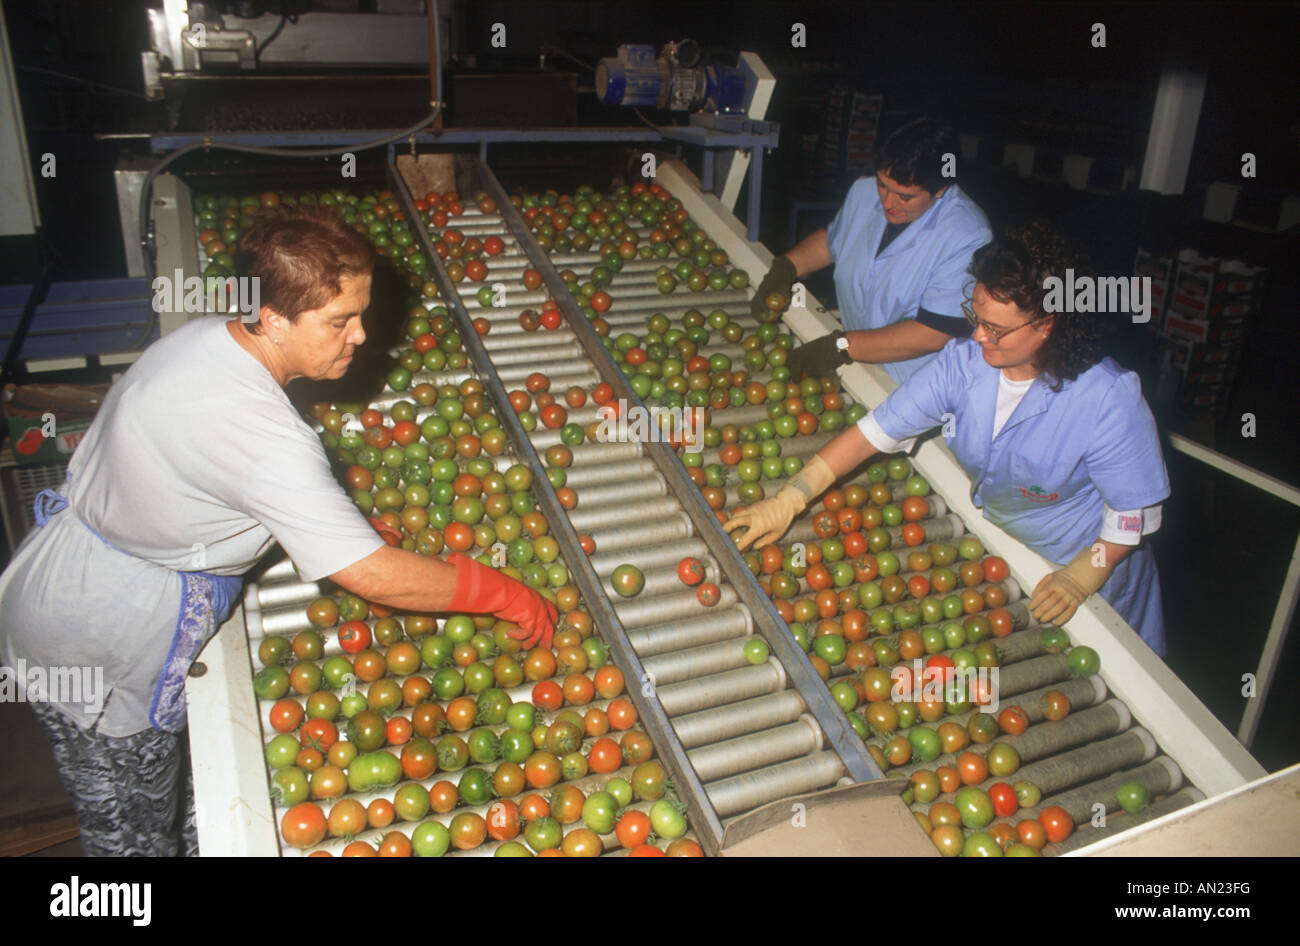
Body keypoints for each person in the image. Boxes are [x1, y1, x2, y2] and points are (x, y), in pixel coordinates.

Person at [0, 206, 556, 856]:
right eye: (339, 321)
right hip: (98, 640)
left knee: (175, 798)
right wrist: (505, 594)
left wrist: (330, 516)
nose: (361, 335)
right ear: (272, 318)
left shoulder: (208, 337)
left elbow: (214, 471)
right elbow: (368, 573)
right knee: (130, 835)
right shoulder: (269, 439)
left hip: (74, 573)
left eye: (362, 313)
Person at [728, 223, 1170, 654]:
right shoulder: (964, 364)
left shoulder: (1107, 397)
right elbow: (871, 434)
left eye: (995, 329)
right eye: (976, 318)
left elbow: (1132, 514)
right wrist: (788, 499)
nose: (978, 336)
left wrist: (1081, 576)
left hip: (1094, 566)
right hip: (1010, 547)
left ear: (1047, 324)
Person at [753, 117, 991, 385]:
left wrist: (841, 347)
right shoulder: (863, 192)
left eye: (905, 197)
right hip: (858, 361)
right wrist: (787, 266)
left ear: (940, 188)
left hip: (917, 381)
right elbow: (834, 241)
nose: (888, 202)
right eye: (883, 184)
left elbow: (935, 333)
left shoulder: (967, 235)